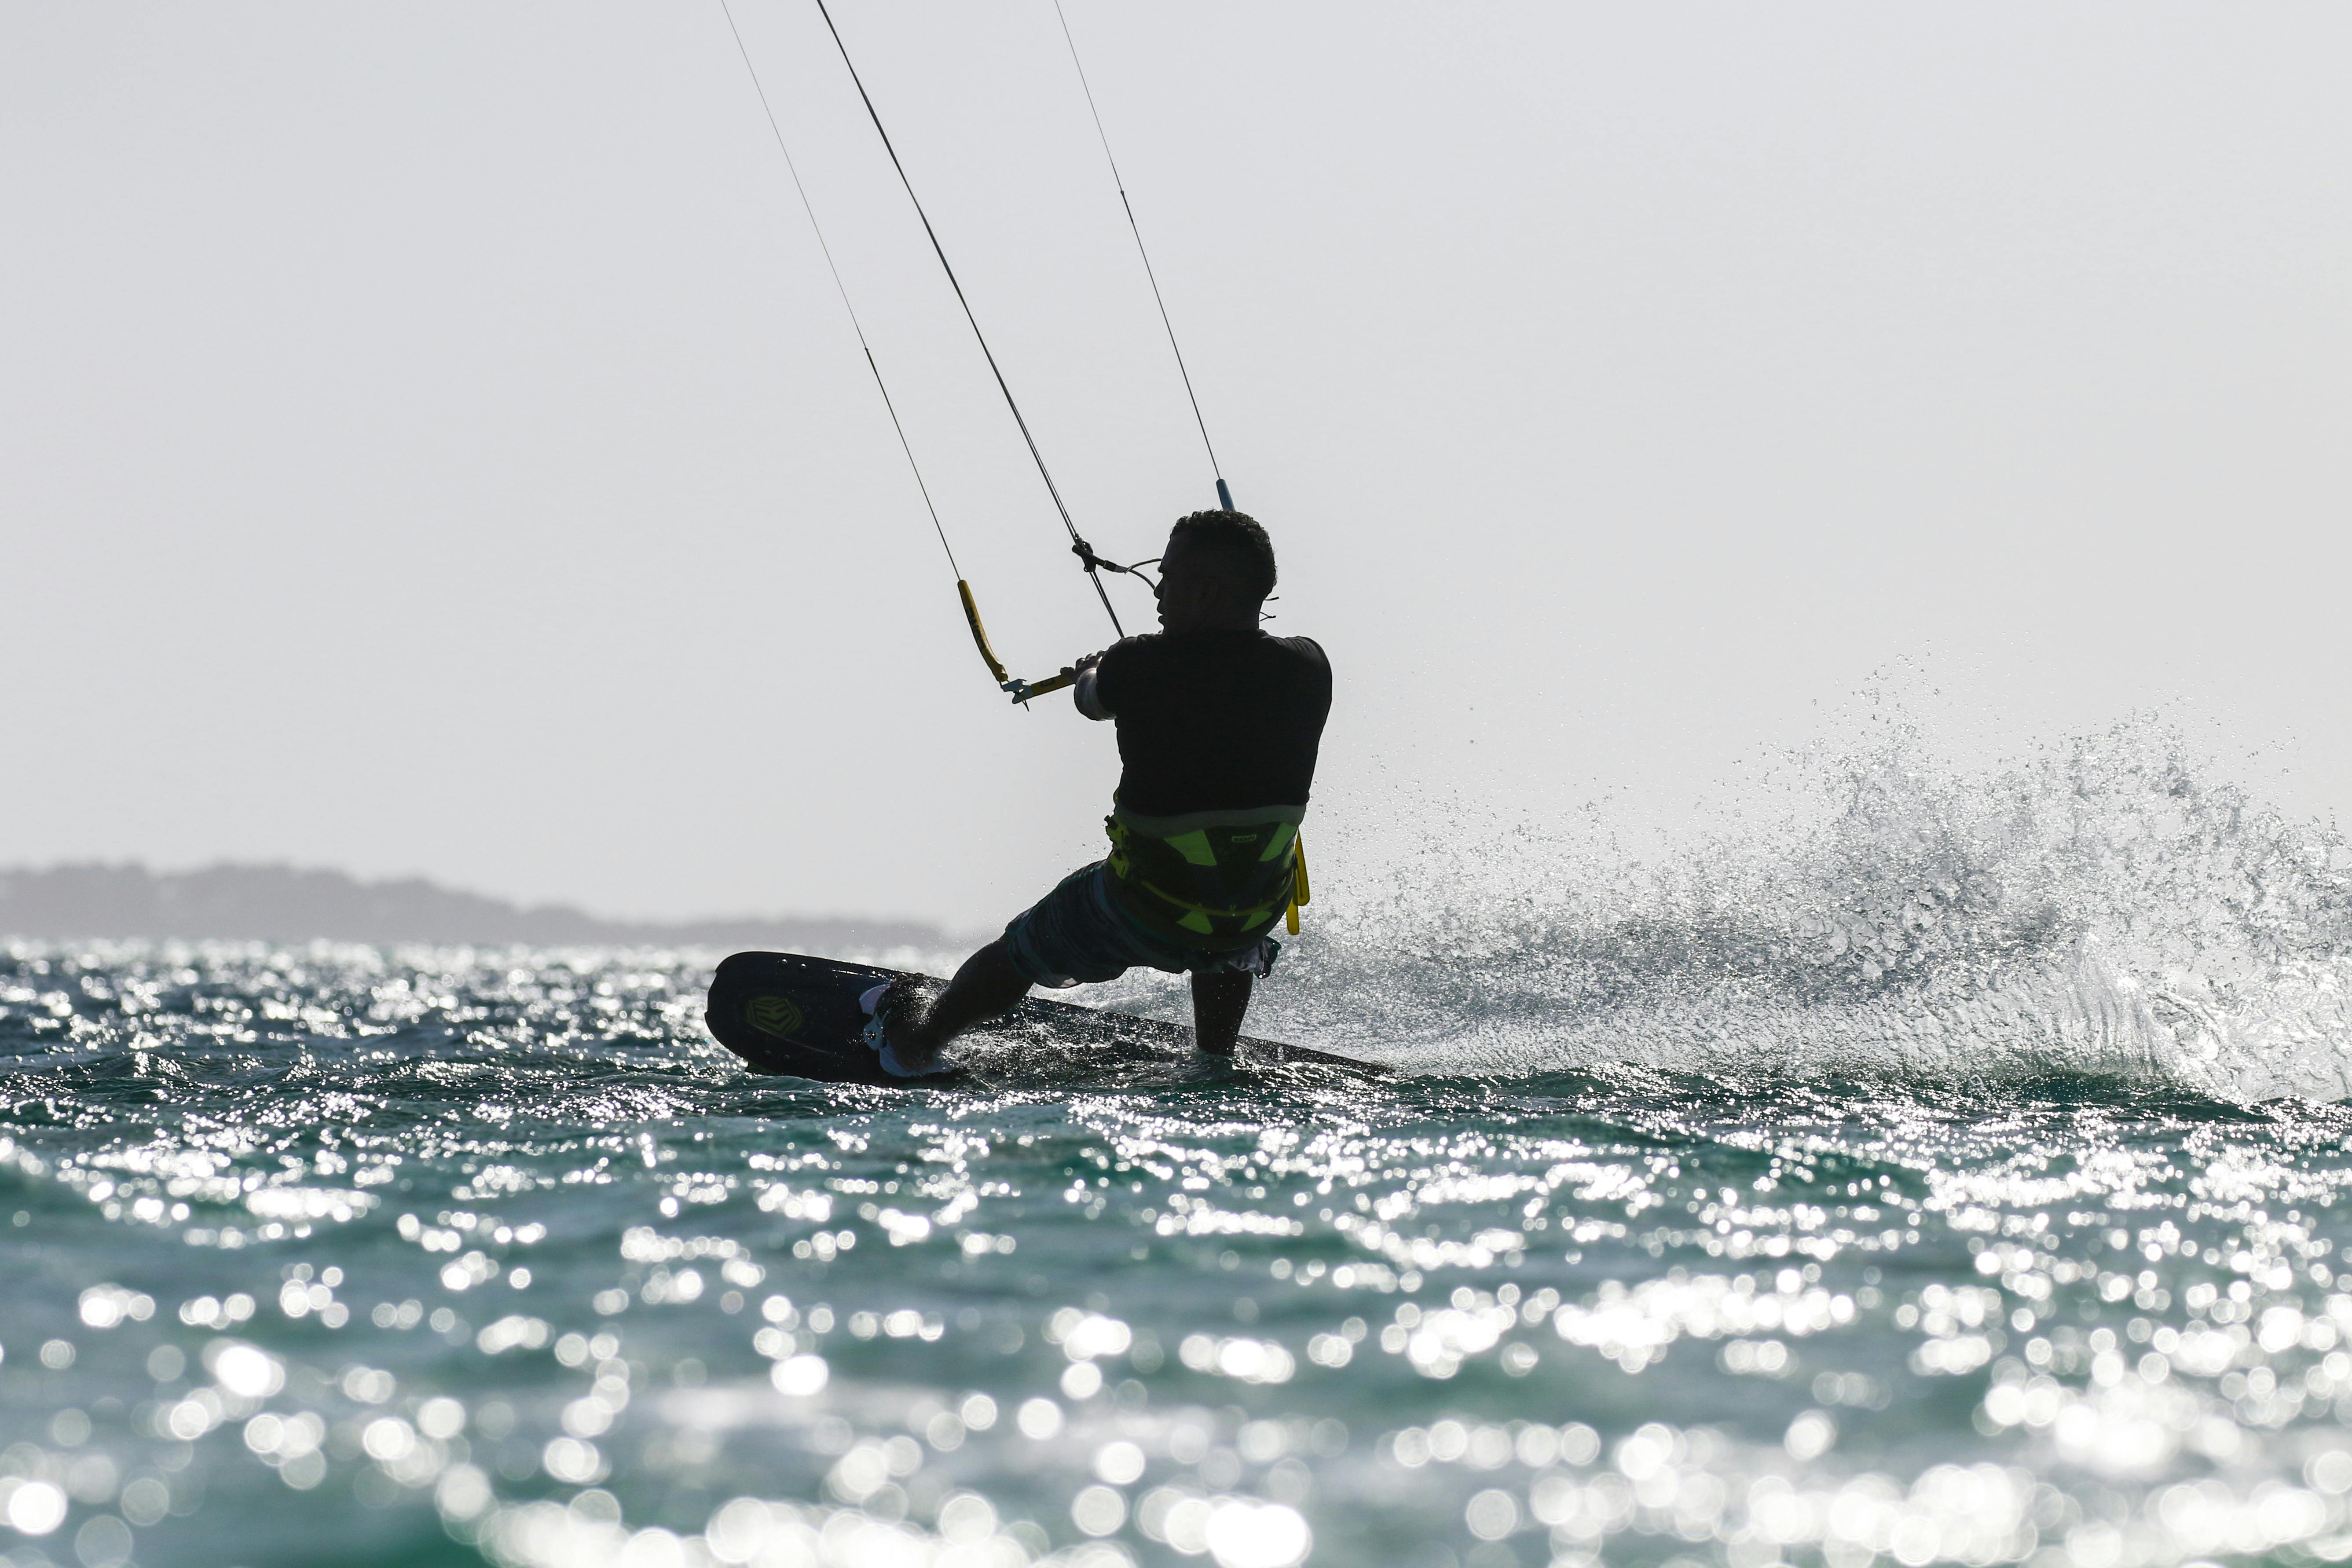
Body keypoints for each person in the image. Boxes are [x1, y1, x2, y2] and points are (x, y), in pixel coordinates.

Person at [870, 509, 1331, 1075]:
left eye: (1170, 576)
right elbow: (1232, 681)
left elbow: (1092, 700)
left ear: (1209, 589)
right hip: (1252, 909)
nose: (1158, 591)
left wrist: (1095, 668)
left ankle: (915, 1045)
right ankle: (1214, 1058)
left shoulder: (1137, 663)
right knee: (1227, 891)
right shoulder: (1311, 666)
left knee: (1021, 948)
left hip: (1144, 908)